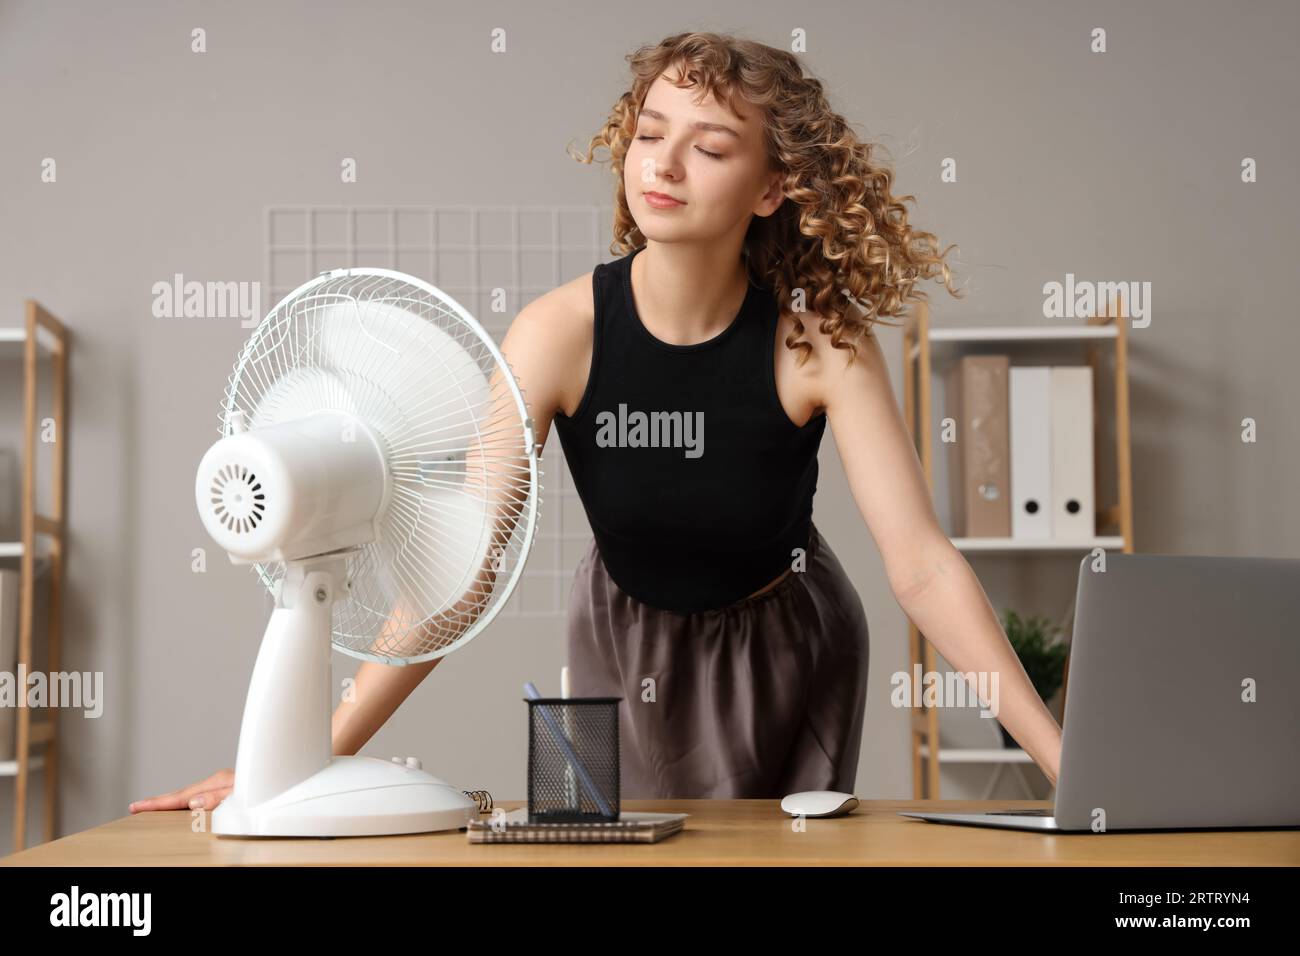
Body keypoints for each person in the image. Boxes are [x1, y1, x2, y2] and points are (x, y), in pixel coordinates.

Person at [131, 31, 1062, 814]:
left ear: (772, 188)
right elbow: (456, 571)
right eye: (650, 132)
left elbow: (924, 567)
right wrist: (295, 764)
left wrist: (1062, 763)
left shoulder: (818, 344)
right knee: (590, 844)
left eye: (709, 146)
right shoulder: (556, 334)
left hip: (788, 646)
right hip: (613, 638)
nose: (662, 162)